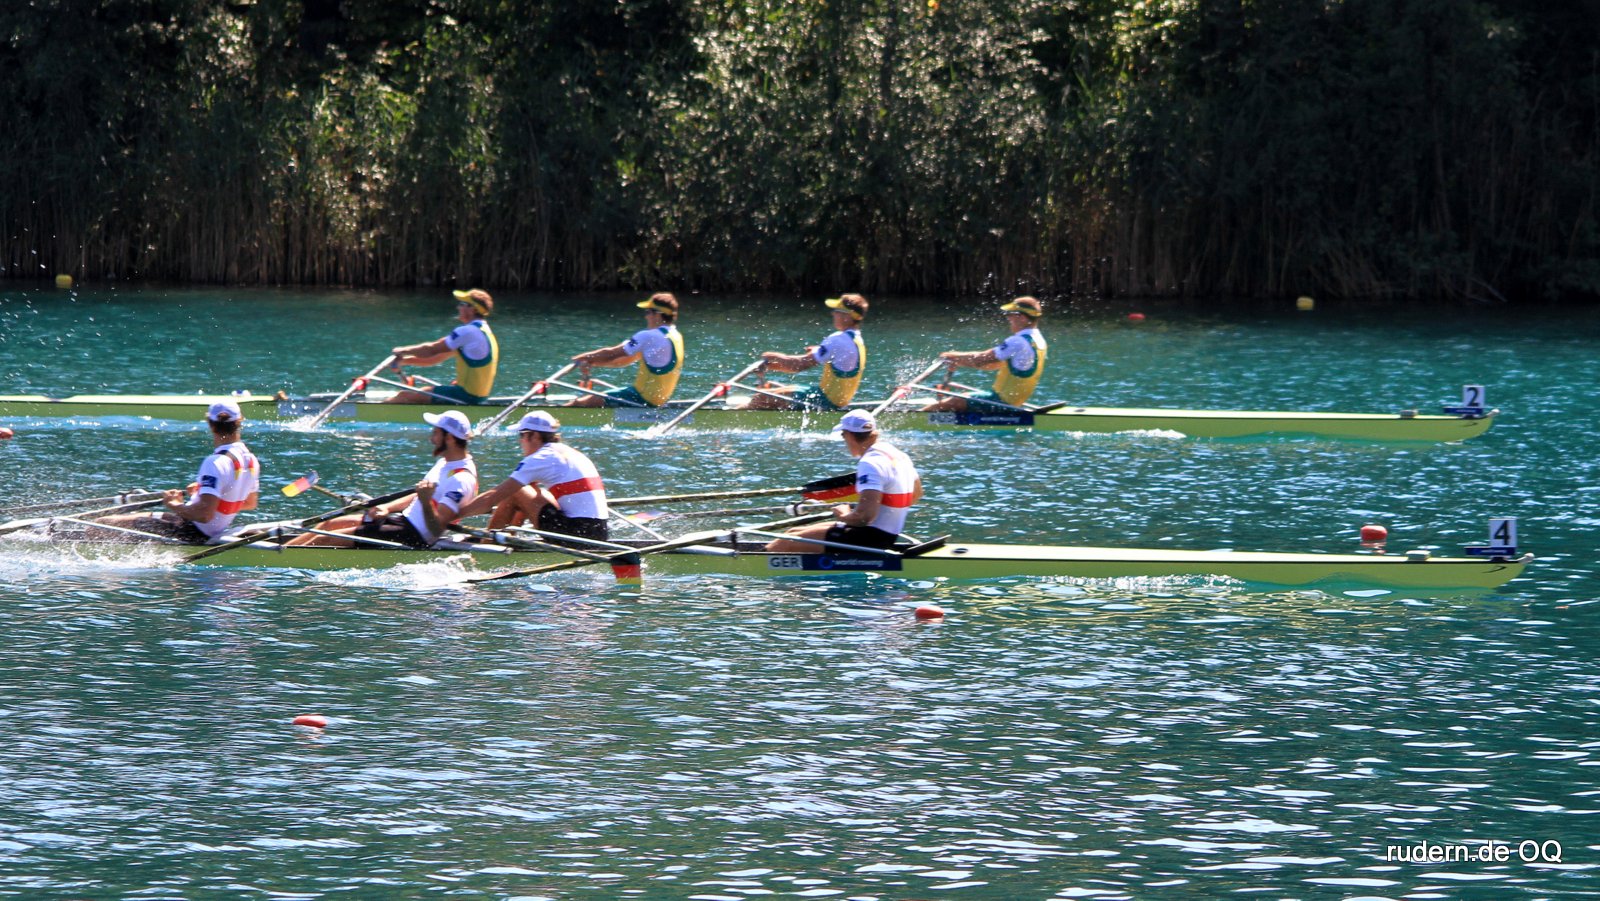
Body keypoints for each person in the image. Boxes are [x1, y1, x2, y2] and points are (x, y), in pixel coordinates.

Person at [286, 410, 479, 549]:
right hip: (402, 521)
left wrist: (425, 501)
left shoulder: (461, 479)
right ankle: (283, 551)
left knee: (327, 539)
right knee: (329, 526)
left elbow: (436, 529)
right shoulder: (445, 463)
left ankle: (282, 560)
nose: (432, 438)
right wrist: (388, 508)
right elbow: (417, 495)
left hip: (414, 536)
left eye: (436, 433)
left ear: (450, 439)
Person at [96, 400, 260, 542]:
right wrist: (204, 491)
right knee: (109, 521)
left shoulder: (215, 462)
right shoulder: (251, 460)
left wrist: (174, 504)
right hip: (196, 526)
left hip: (189, 532)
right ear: (240, 421)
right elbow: (248, 503)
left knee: (99, 526)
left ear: (210, 424)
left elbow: (204, 515)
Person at [765, 410, 922, 552]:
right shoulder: (898, 454)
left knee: (782, 544)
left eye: (843, 435)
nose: (844, 440)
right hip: (886, 533)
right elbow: (916, 494)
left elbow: (863, 518)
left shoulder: (870, 463)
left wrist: (844, 514)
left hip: (869, 538)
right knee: (791, 533)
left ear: (849, 435)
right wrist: (882, 509)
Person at [456, 411, 611, 542]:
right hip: (600, 533)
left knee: (516, 490)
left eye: (522, 435)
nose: (520, 441)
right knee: (527, 489)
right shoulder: (568, 452)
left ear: (535, 436)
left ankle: (488, 545)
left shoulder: (541, 458)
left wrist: (453, 515)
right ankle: (506, 537)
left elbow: (493, 497)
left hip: (578, 535)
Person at [921, 296, 1048, 412]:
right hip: (1014, 401)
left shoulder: (1017, 341)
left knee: (951, 403)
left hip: (1000, 401)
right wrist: (959, 361)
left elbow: (982, 359)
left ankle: (912, 418)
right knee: (964, 397)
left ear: (1022, 317)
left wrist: (952, 356)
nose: (1008, 317)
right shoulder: (1038, 340)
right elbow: (993, 365)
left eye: (1011, 314)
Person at [746, 294, 868, 411]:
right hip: (835, 399)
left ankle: (736, 415)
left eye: (837, 311)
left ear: (847, 316)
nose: (833, 313)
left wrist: (773, 357)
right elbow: (834, 354)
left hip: (824, 401)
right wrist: (771, 365)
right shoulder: (856, 340)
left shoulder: (838, 339)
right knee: (770, 386)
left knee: (759, 398)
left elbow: (799, 365)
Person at [566, 293, 684, 408]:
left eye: (648, 312)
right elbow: (624, 360)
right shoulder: (676, 336)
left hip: (640, 398)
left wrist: (583, 358)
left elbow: (612, 353)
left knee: (579, 403)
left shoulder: (648, 336)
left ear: (657, 314)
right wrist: (592, 363)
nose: (646, 316)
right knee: (596, 397)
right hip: (657, 400)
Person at [386, 289, 500, 404]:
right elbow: (434, 359)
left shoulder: (468, 331)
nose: (458, 307)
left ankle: (372, 415)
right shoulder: (483, 332)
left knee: (404, 396)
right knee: (418, 393)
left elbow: (431, 349)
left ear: (473, 309)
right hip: (476, 396)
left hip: (465, 396)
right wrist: (405, 361)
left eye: (462, 304)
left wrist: (401, 351)